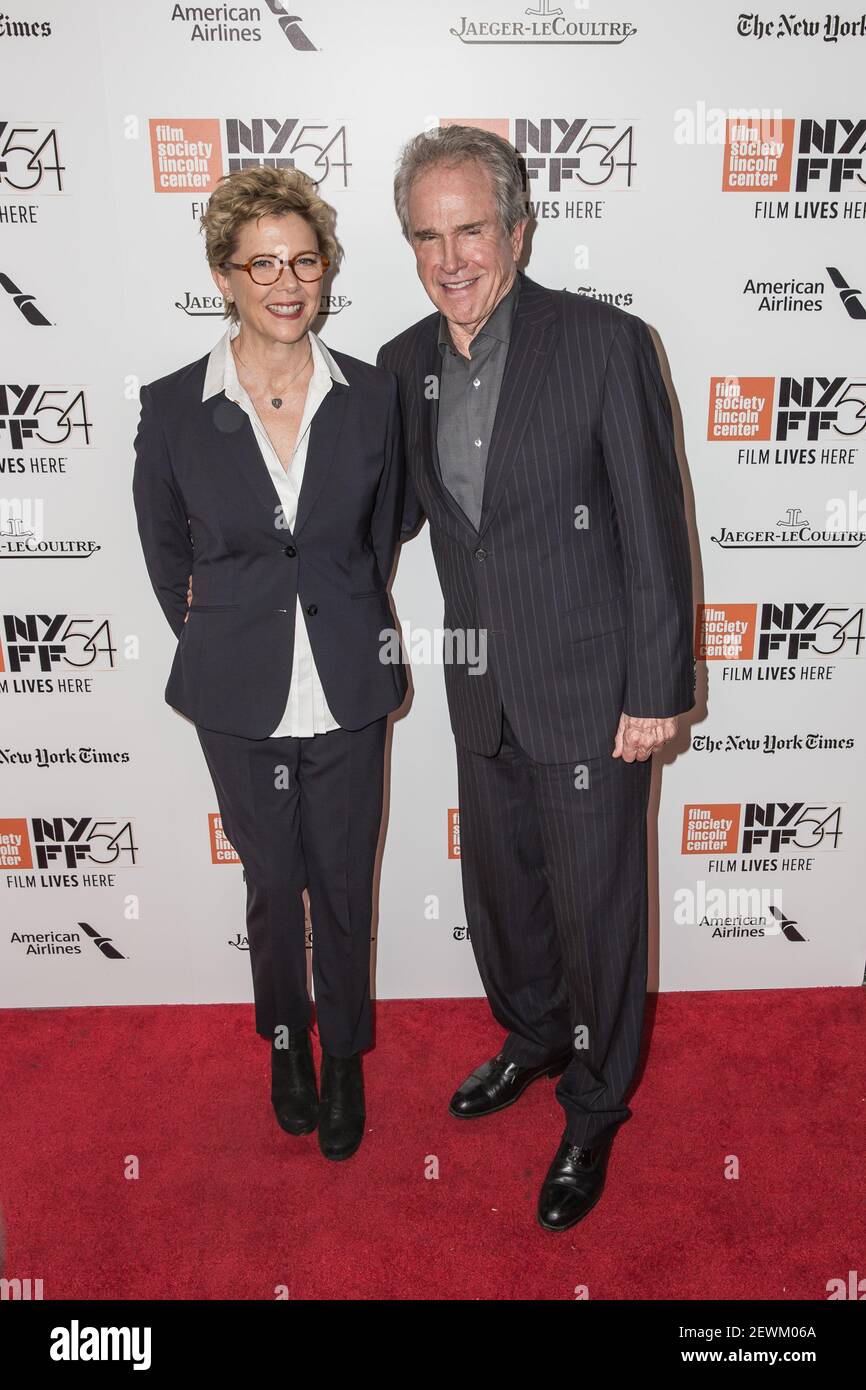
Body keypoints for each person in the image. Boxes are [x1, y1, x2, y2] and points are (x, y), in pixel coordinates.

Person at [378, 125, 695, 1230]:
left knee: (597, 907)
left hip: (595, 689)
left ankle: (596, 1104)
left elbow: (655, 529)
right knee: (503, 897)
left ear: (516, 228)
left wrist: (656, 688)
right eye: (427, 235)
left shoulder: (603, 343)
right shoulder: (402, 364)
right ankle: (529, 1038)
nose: (450, 257)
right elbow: (378, 527)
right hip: (482, 691)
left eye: (470, 229)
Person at [133, 165, 407, 1161]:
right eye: (262, 263)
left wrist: (327, 615)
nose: (286, 282)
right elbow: (166, 554)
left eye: (304, 260)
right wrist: (227, 635)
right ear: (224, 274)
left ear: (326, 269)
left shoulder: (373, 396)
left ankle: (344, 1059)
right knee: (270, 877)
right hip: (236, 690)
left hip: (346, 682)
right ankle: (285, 1044)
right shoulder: (171, 407)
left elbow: (374, 541)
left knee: (342, 881)